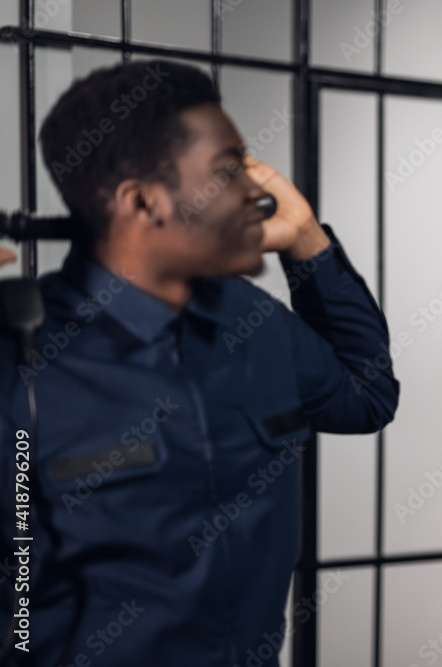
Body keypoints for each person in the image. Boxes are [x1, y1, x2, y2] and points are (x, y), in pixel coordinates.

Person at [0, 60, 398, 665]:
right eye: (227, 171)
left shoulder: (256, 326)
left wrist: (308, 239)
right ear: (143, 202)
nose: (259, 193)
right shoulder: (22, 354)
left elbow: (367, 396)